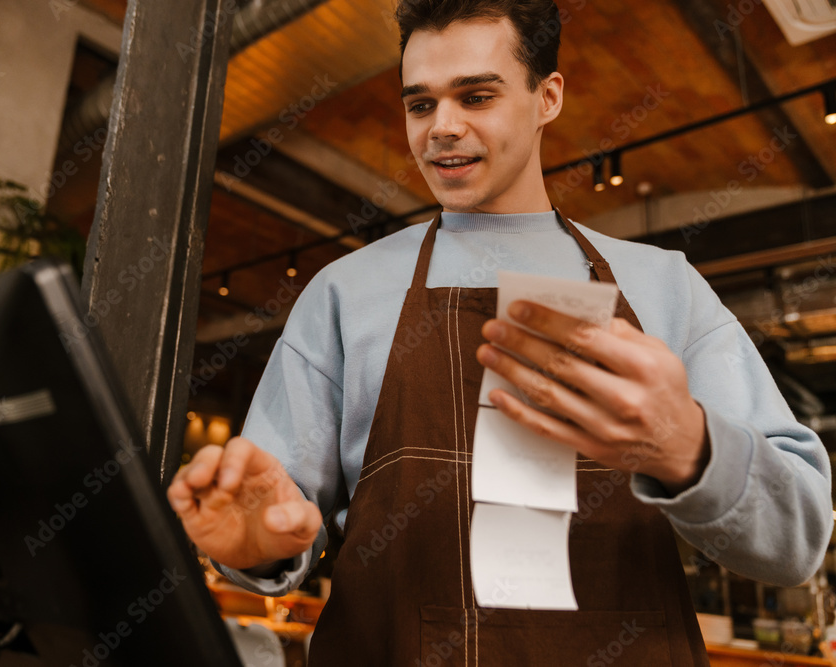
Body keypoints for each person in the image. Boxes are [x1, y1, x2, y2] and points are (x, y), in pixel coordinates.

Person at [168, 0, 833, 663]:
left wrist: (687, 444)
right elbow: (273, 516)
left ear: (547, 97)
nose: (441, 128)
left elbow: (797, 540)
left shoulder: (666, 286)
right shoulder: (343, 294)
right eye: (420, 104)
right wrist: (261, 548)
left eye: (477, 95)